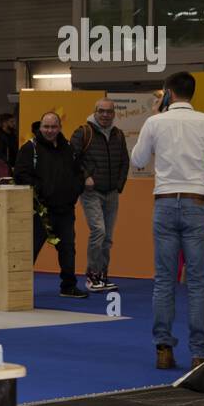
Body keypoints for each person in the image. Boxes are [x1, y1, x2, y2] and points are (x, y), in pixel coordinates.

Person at [130, 71, 204, 370]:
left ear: (168, 92)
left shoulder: (155, 122)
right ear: (192, 93)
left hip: (165, 203)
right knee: (198, 283)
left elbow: (138, 160)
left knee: (164, 281)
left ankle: (163, 350)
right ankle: (199, 354)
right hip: (198, 202)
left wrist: (156, 114)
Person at [15, 111, 87, 298]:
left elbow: (79, 173)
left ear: (60, 128)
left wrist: (75, 190)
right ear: (40, 127)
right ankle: (18, 288)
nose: (50, 130)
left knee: (68, 249)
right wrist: (42, 191)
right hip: (39, 211)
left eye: (53, 127)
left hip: (65, 210)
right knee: (30, 250)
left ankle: (68, 286)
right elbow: (21, 175)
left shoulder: (69, 148)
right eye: (46, 127)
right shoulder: (30, 148)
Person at [70, 99, 130, 293]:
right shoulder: (83, 132)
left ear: (114, 113)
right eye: (101, 111)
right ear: (94, 112)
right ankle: (92, 275)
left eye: (109, 112)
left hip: (112, 192)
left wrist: (119, 185)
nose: (105, 115)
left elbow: (124, 161)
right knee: (99, 232)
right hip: (91, 193)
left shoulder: (118, 135)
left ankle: (103, 275)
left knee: (108, 237)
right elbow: (71, 158)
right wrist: (85, 177)